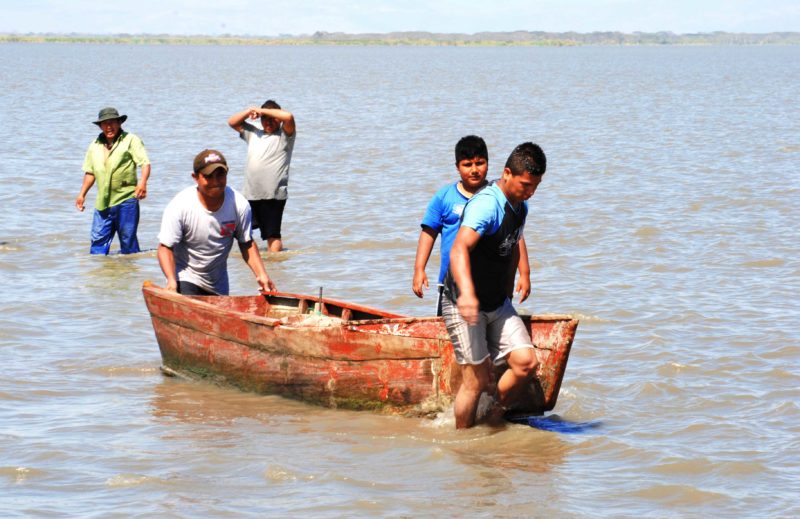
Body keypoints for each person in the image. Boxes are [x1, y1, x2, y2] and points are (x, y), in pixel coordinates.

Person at [441, 142, 547, 429]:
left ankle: (491, 416)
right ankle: (462, 439)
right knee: (474, 381)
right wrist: (466, 294)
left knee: (526, 363)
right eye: (526, 185)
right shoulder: (487, 205)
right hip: (461, 300)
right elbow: (459, 249)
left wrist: (519, 276)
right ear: (507, 173)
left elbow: (513, 244)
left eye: (536, 186)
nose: (530, 192)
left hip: (497, 302)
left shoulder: (520, 206)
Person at [412, 135, 531, 316]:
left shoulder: (498, 197)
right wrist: (419, 269)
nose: (474, 170)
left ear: (488, 164)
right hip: (452, 282)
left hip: (491, 282)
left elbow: (515, 236)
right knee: (448, 331)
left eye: (480, 163)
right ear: (457, 167)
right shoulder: (444, 197)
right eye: (467, 165)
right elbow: (428, 233)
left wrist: (524, 274)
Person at [157, 149, 276, 296]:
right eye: (208, 176)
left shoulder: (239, 204)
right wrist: (171, 281)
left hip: (218, 284)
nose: (215, 182)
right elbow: (165, 248)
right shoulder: (180, 205)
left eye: (220, 175)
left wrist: (262, 275)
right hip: (186, 278)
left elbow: (246, 243)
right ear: (195, 177)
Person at [75, 107, 151, 254]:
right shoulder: (94, 145)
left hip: (126, 199)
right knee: (97, 244)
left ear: (119, 123)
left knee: (128, 242)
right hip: (103, 203)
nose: (109, 127)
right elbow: (90, 172)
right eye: (105, 123)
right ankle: (101, 275)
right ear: (100, 126)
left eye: (112, 122)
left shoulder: (131, 140)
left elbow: (145, 163)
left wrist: (142, 183)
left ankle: (130, 274)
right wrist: (81, 195)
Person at [228, 100, 296, 252]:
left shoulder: (285, 135)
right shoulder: (253, 132)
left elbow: (289, 117)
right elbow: (232, 122)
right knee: (242, 233)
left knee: (272, 235)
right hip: (250, 194)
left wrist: (263, 111)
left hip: (273, 195)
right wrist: (249, 111)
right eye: (264, 119)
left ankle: (275, 266)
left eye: (272, 118)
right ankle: (253, 264)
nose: (268, 122)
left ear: (278, 119)